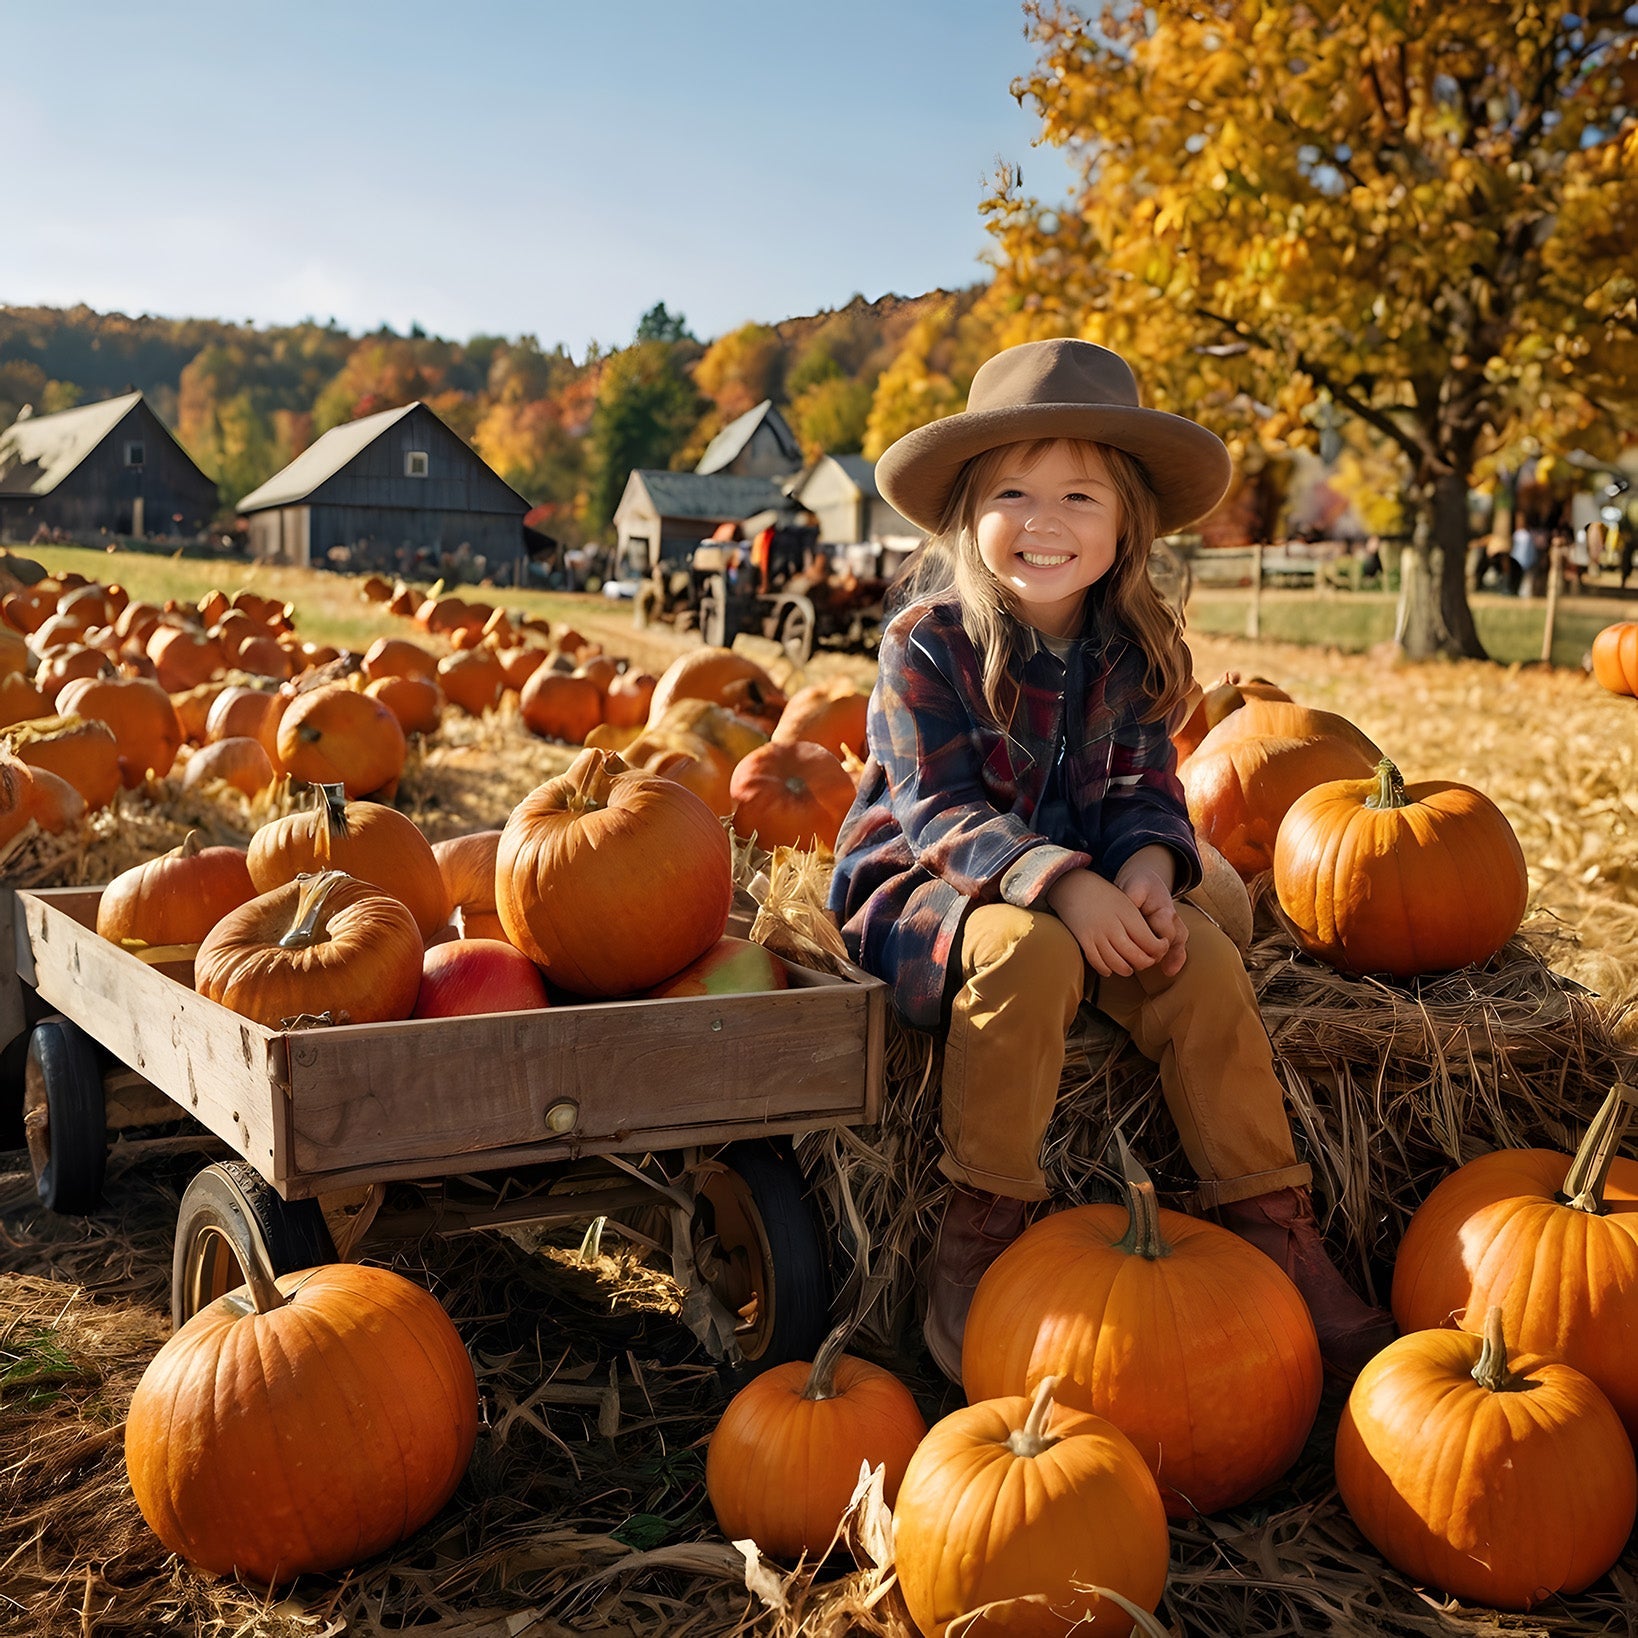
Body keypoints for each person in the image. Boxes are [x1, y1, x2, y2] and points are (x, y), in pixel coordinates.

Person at [827, 338, 1394, 1384]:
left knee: (1207, 966)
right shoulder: (926, 644)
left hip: (1081, 889)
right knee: (1029, 958)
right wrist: (1067, 884)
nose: (1044, 522)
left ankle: (1274, 1226)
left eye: (1079, 496)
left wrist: (1144, 870)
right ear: (967, 513)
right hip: (932, 889)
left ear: (1127, 520)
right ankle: (981, 1226)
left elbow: (1146, 790)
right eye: (1012, 493)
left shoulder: (1134, 650)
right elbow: (938, 810)